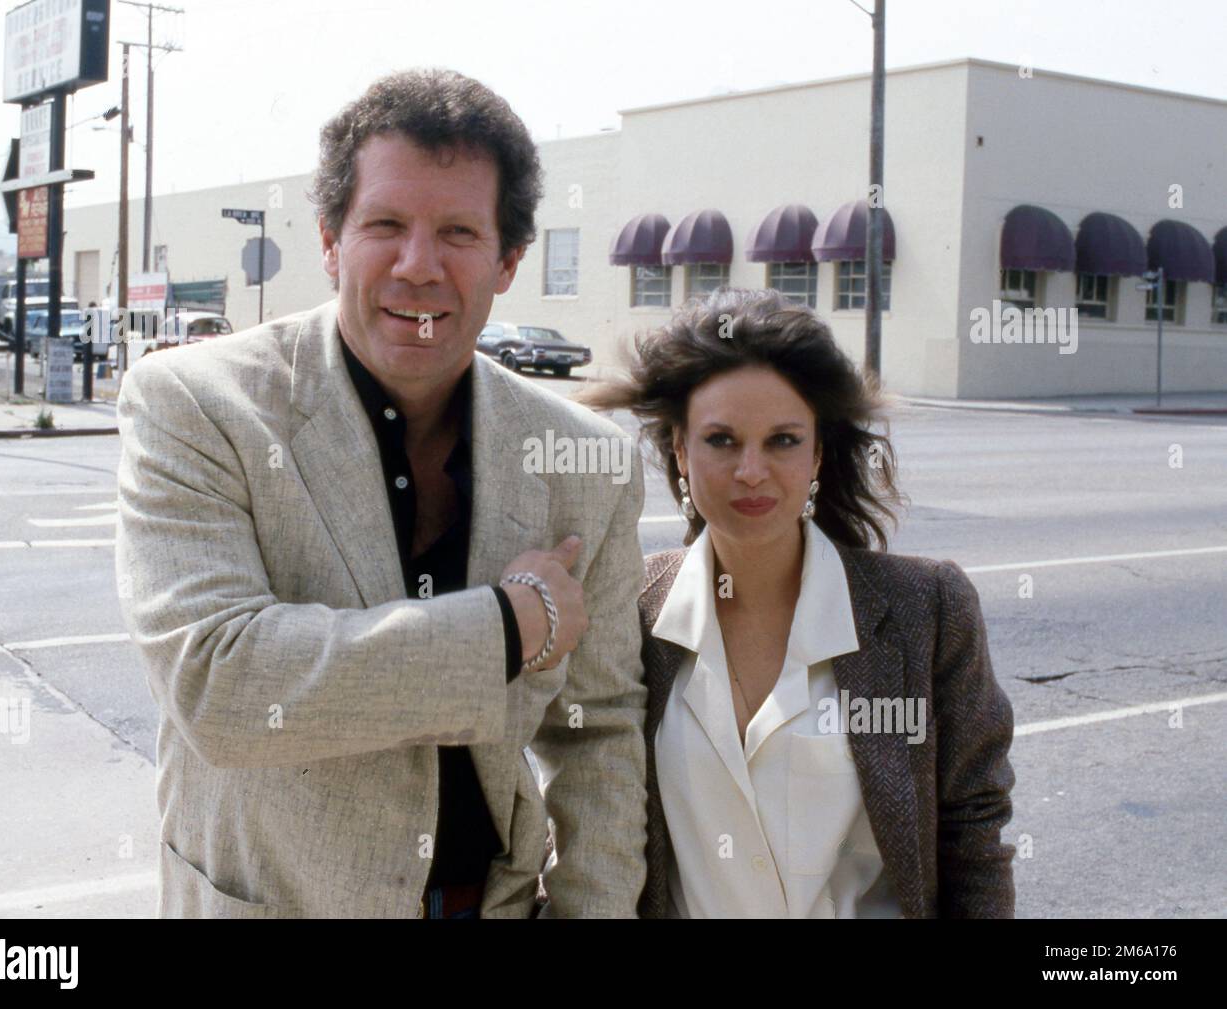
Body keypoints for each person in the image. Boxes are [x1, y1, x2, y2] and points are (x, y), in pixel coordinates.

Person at [115, 68, 648, 918]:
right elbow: (221, 686)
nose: (418, 266)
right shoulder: (196, 403)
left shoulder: (587, 459)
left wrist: (592, 907)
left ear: (509, 260)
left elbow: (604, 725)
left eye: (459, 232)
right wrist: (511, 625)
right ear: (330, 240)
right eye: (386, 224)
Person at [578, 287, 1015, 918]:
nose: (751, 471)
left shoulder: (928, 609)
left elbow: (973, 829)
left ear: (816, 453)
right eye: (721, 440)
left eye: (782, 440)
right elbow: (586, 821)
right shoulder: (630, 611)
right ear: (679, 449)